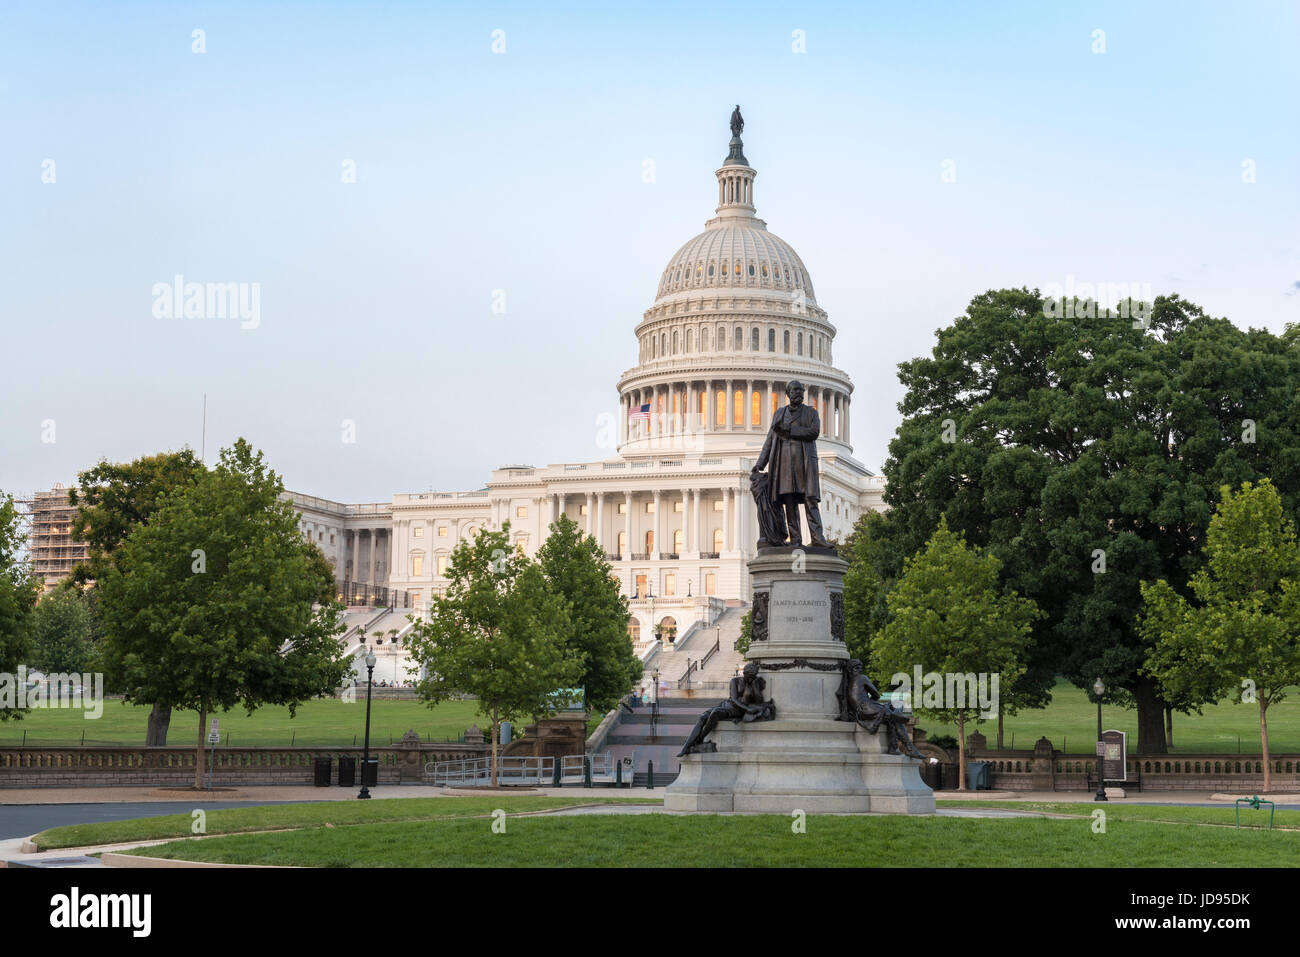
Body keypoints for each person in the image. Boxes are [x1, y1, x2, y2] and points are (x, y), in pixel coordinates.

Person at [752, 380, 829, 547]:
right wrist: (760, 464)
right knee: (790, 502)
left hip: (805, 463)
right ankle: (796, 540)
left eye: (801, 390)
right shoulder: (779, 414)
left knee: (810, 500)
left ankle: (818, 538)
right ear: (788, 394)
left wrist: (789, 431)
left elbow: (814, 432)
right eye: (795, 390)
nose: (799, 393)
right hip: (784, 465)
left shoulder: (811, 413)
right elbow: (770, 440)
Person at [678, 662, 776, 756]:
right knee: (702, 717)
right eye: (749, 676)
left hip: (736, 711)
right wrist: (747, 708)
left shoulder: (753, 684)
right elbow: (733, 699)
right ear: (744, 673)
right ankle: (686, 747)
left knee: (715, 713)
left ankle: (700, 738)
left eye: (752, 677)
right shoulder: (735, 681)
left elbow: (759, 700)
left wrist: (754, 686)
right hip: (727, 705)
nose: (750, 679)